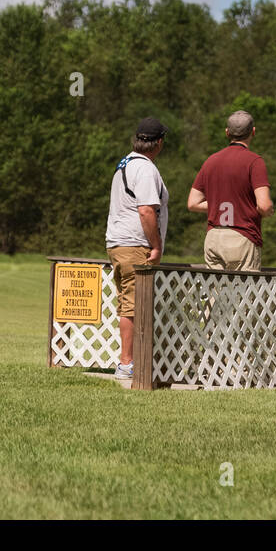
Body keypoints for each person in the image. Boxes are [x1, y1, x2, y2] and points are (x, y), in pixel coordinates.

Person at [105, 117, 169, 380]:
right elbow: (145, 210)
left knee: (127, 303)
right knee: (133, 305)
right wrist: (156, 245)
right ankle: (127, 363)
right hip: (135, 244)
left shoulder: (126, 162)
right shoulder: (145, 169)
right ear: (160, 143)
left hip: (118, 242)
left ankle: (129, 360)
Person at [188, 110, 273, 270]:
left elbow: (193, 203)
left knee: (215, 293)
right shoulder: (255, 161)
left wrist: (216, 204)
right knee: (246, 293)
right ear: (253, 132)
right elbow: (264, 205)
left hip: (214, 237)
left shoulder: (210, 161)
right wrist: (266, 211)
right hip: (243, 236)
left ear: (227, 132)